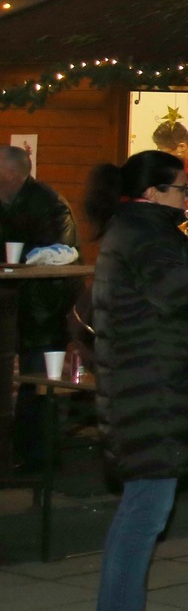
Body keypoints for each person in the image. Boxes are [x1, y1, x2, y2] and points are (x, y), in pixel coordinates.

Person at [79, 150, 188, 611]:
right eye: (183, 189)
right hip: (152, 392)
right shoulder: (150, 235)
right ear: (154, 192)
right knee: (143, 514)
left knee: (142, 511)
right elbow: (187, 300)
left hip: (141, 386)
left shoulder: (132, 230)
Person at [4, 144, 80, 466]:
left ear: (12, 174)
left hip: (44, 306)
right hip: (12, 306)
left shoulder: (50, 205)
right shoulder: (14, 201)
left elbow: (59, 259)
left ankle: (38, 460)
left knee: (39, 384)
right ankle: (17, 454)